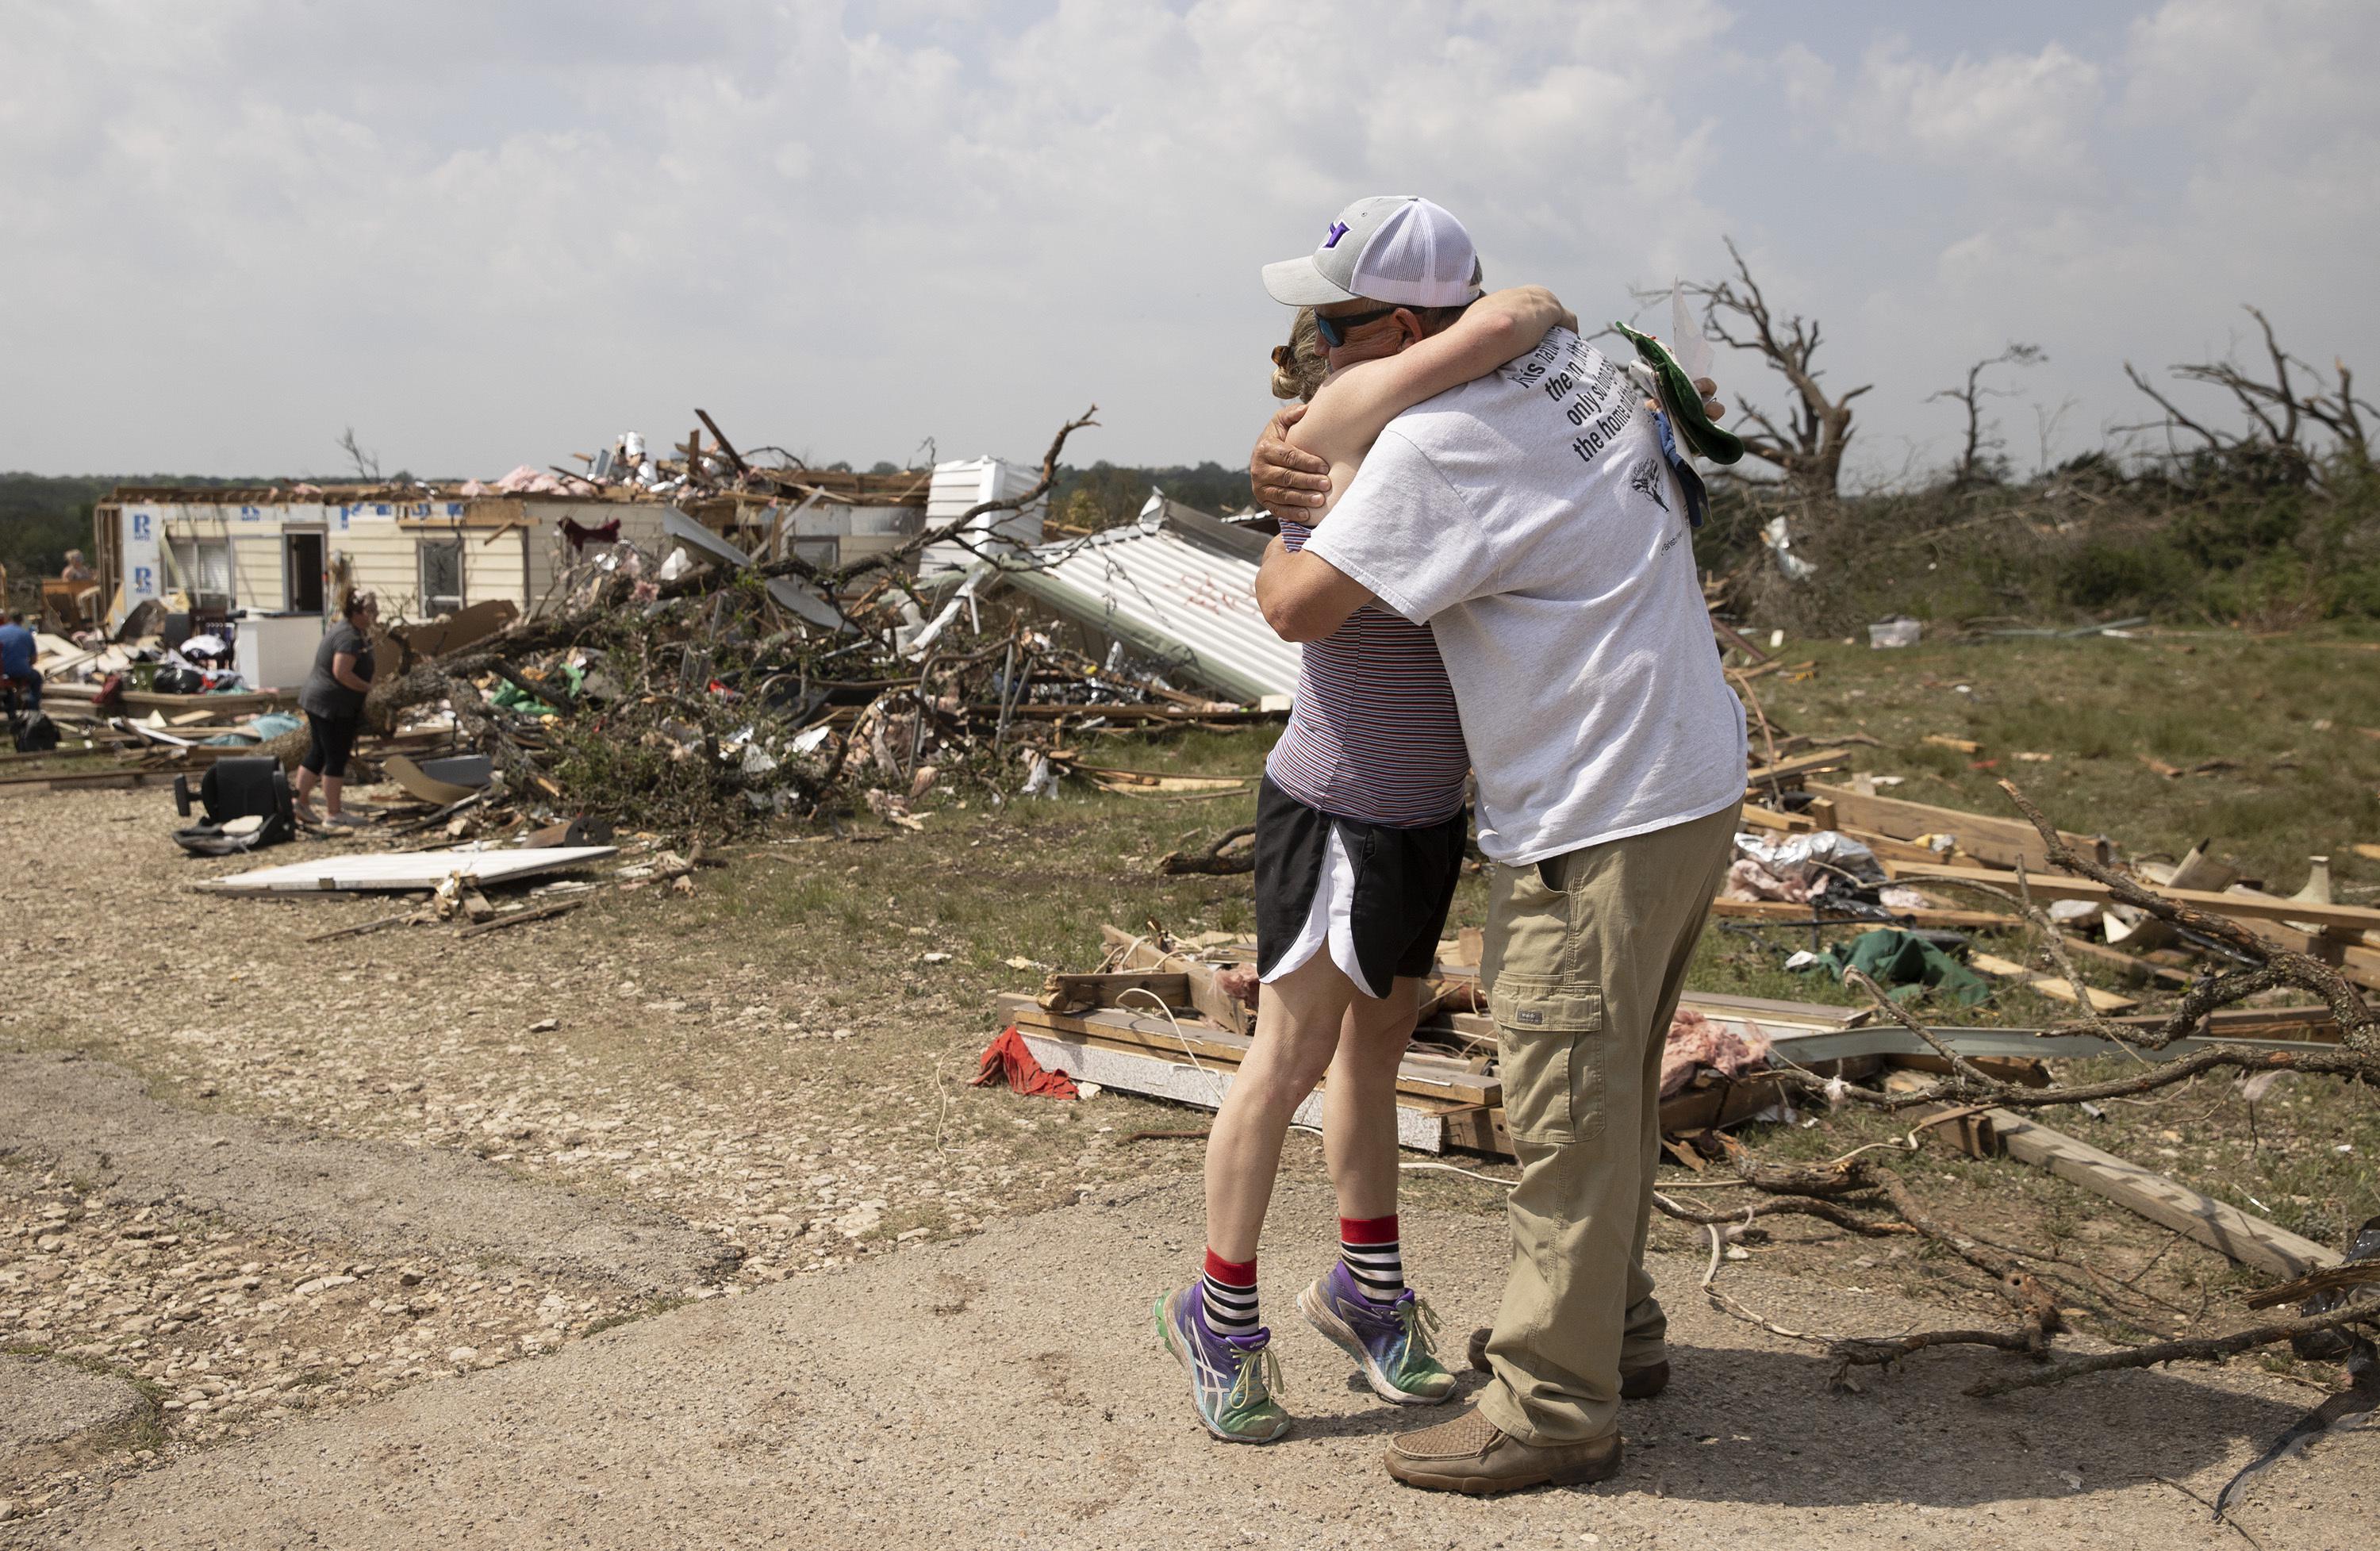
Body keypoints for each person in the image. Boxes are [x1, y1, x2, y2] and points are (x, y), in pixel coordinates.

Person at [1249, 196, 1748, 1494]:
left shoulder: (1439, 449)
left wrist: (1291, 489)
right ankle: (1615, 1331)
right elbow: (1539, 312)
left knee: (1565, 1105)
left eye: (1330, 330)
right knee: (1615, 1081)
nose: (1312, 353)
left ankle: (1552, 1405)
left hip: (1596, 808)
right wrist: (1333, 427)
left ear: (1403, 332)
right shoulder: (1576, 363)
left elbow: (1298, 606)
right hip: (1691, 777)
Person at [1155, 271, 1584, 1445]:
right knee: (1286, 1058)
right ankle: (1218, 1315)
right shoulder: (1337, 462)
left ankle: (1368, 1291)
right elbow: (1302, 599)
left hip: (1422, 814)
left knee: (1376, 1053)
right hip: (1339, 808)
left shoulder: (1436, 440)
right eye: (1340, 342)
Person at [294, 589, 378, 827]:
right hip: (332, 705)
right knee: (336, 756)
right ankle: (333, 814)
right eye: (371, 610)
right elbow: (341, 672)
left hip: (319, 701)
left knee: (318, 753)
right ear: (357, 612)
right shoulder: (348, 637)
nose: (377, 614)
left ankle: (299, 803)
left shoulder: (351, 630)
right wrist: (369, 689)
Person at [0, 612, 40, 711]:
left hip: (2, 672)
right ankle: (32, 709)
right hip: (22, 672)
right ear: (22, 621)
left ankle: (11, 709)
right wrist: (24, 666)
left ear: (8, 619)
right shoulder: (27, 635)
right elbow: (34, 660)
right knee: (37, 678)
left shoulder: (1, 631)